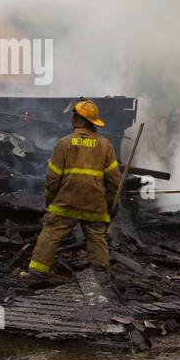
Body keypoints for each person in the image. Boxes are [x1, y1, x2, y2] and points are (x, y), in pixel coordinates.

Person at [24, 99, 121, 278]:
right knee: (97, 238)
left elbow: (52, 179)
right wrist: (113, 202)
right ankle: (101, 275)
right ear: (93, 122)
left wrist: (50, 200)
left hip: (66, 202)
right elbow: (114, 180)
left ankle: (37, 273)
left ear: (77, 120)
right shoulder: (105, 145)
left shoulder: (64, 143)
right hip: (95, 204)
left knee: (50, 233)